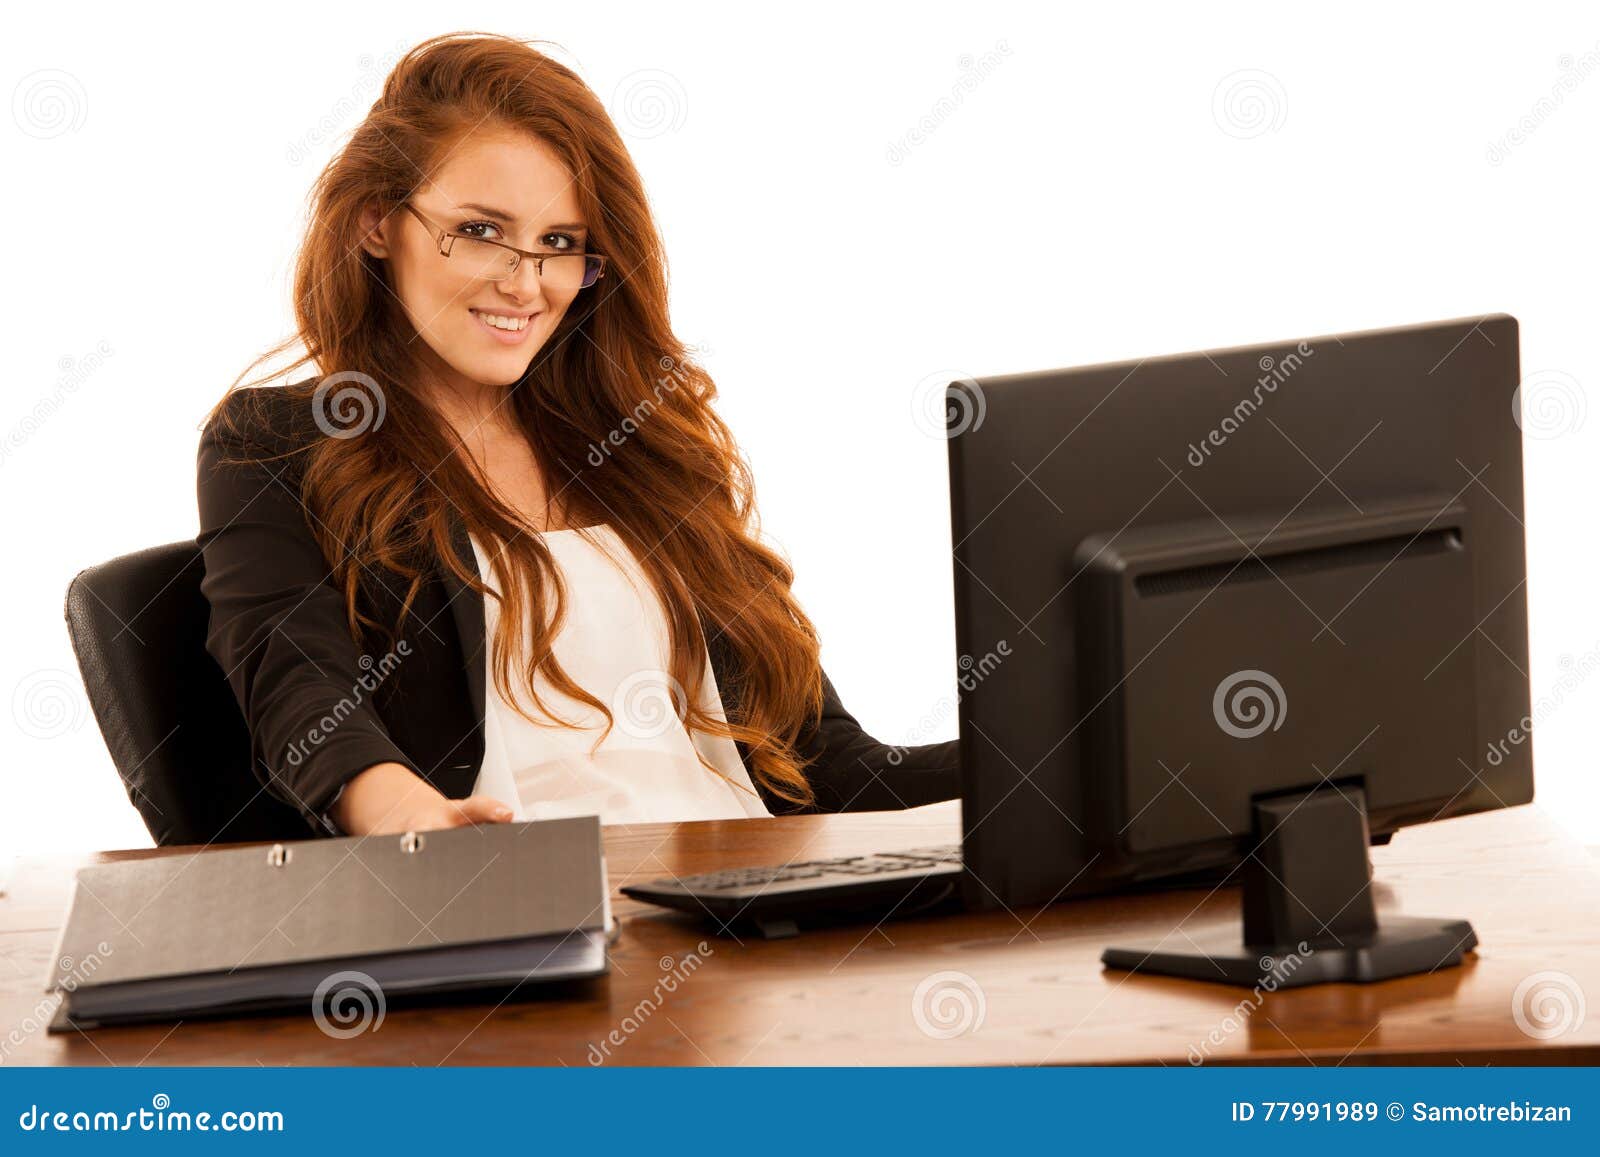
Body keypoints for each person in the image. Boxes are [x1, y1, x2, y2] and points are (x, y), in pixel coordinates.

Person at [196, 32, 957, 838]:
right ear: (376, 223)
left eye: (559, 243)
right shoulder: (275, 444)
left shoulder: (642, 447)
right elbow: (299, 687)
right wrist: (417, 824)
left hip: (749, 886)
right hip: (512, 886)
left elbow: (827, 766)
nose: (526, 284)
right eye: (481, 230)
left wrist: (1026, 745)